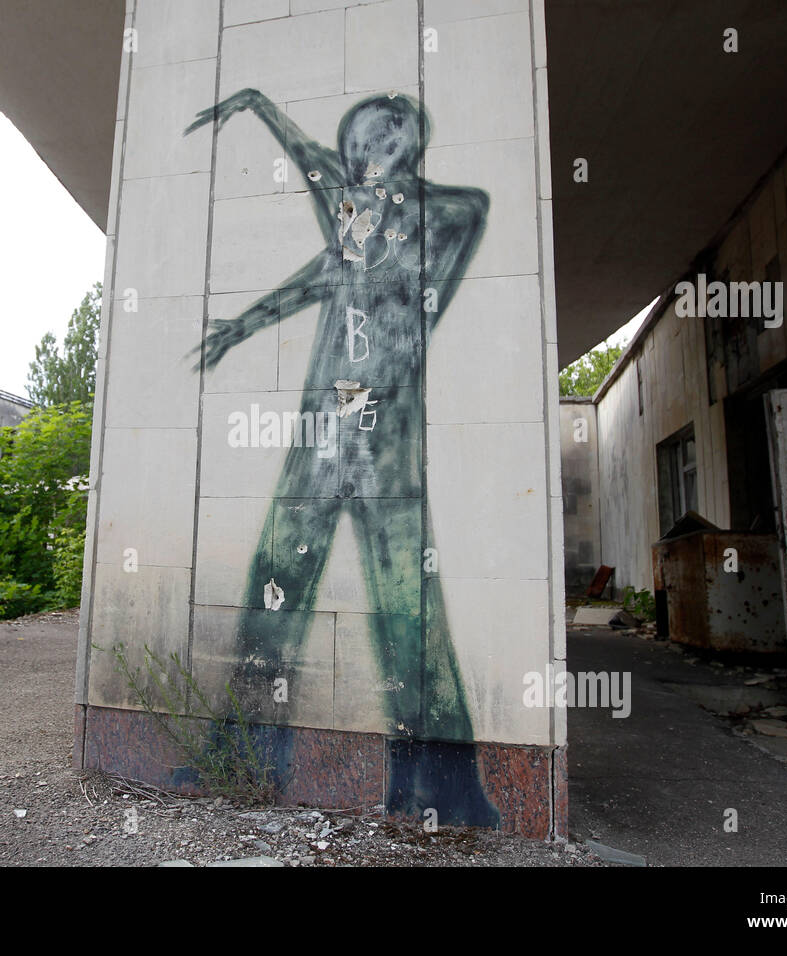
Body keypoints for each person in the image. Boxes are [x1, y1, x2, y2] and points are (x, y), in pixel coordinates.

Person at [185, 89, 499, 824]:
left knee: (408, 612)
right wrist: (241, 324)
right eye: (348, 147)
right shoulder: (356, 226)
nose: (353, 160)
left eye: (369, 146)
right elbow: (327, 268)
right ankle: (242, 759)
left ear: (401, 146)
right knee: (273, 590)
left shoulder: (448, 216)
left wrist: (356, 191)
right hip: (318, 442)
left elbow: (412, 218)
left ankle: (441, 785)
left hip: (386, 449)